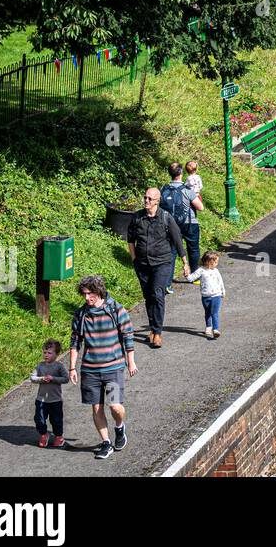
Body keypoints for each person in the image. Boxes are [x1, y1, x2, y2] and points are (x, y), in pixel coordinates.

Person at [68, 275, 136, 459]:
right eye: (84, 294)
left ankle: (119, 427)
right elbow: (75, 342)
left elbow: (128, 335)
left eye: (90, 293)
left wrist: (131, 361)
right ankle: (106, 443)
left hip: (113, 369)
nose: (86, 298)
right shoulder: (81, 314)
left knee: (115, 406)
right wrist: (72, 368)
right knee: (96, 408)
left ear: (99, 292)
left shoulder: (115, 309)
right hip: (90, 370)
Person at [127, 186, 187, 349]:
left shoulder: (166, 218)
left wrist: (185, 262)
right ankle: (153, 329)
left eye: (150, 199)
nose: (146, 200)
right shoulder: (137, 217)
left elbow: (177, 241)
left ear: (157, 201)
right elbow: (130, 240)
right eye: (145, 198)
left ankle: (157, 333)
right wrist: (134, 260)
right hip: (143, 264)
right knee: (148, 296)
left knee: (157, 293)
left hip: (162, 263)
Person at [162, 162, 204, 284]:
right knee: (193, 249)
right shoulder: (187, 189)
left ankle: (167, 283)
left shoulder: (164, 189)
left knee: (172, 251)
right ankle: (195, 277)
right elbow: (200, 207)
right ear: (181, 173)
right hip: (190, 223)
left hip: (171, 224)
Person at [30, 339, 68, 448]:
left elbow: (65, 379)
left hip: (55, 400)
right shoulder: (40, 366)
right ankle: (43, 434)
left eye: (49, 353)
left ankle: (58, 437)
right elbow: (32, 378)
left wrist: (53, 378)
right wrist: (42, 379)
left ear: (56, 354)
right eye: (45, 352)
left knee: (56, 420)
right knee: (39, 419)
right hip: (41, 399)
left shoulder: (59, 366)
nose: (46, 355)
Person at [185, 250, 226, 340]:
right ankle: (208, 327)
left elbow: (220, 281)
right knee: (208, 312)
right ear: (208, 262)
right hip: (205, 296)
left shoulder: (216, 271)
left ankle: (215, 330)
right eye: (215, 262)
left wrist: (223, 291)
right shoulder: (201, 270)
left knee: (214, 313)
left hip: (216, 295)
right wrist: (187, 275)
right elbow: (192, 278)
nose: (216, 264)